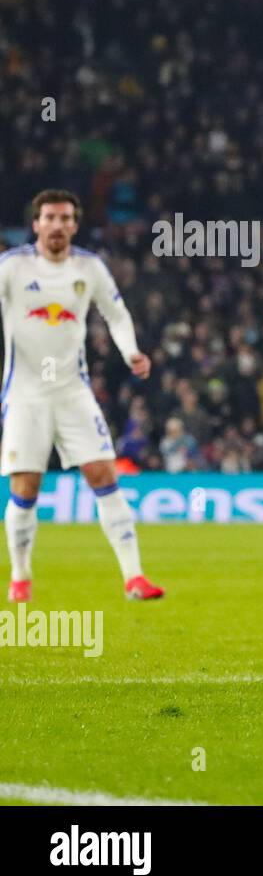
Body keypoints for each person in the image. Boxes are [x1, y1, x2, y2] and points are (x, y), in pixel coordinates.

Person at [1, 189, 164, 602]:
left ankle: (134, 578)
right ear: (36, 223)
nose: (57, 225)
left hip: (74, 393)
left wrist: (131, 352)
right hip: (25, 395)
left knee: (104, 476)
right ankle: (21, 578)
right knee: (26, 487)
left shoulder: (89, 268)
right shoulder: (13, 267)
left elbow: (116, 313)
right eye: (50, 218)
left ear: (75, 224)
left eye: (66, 218)